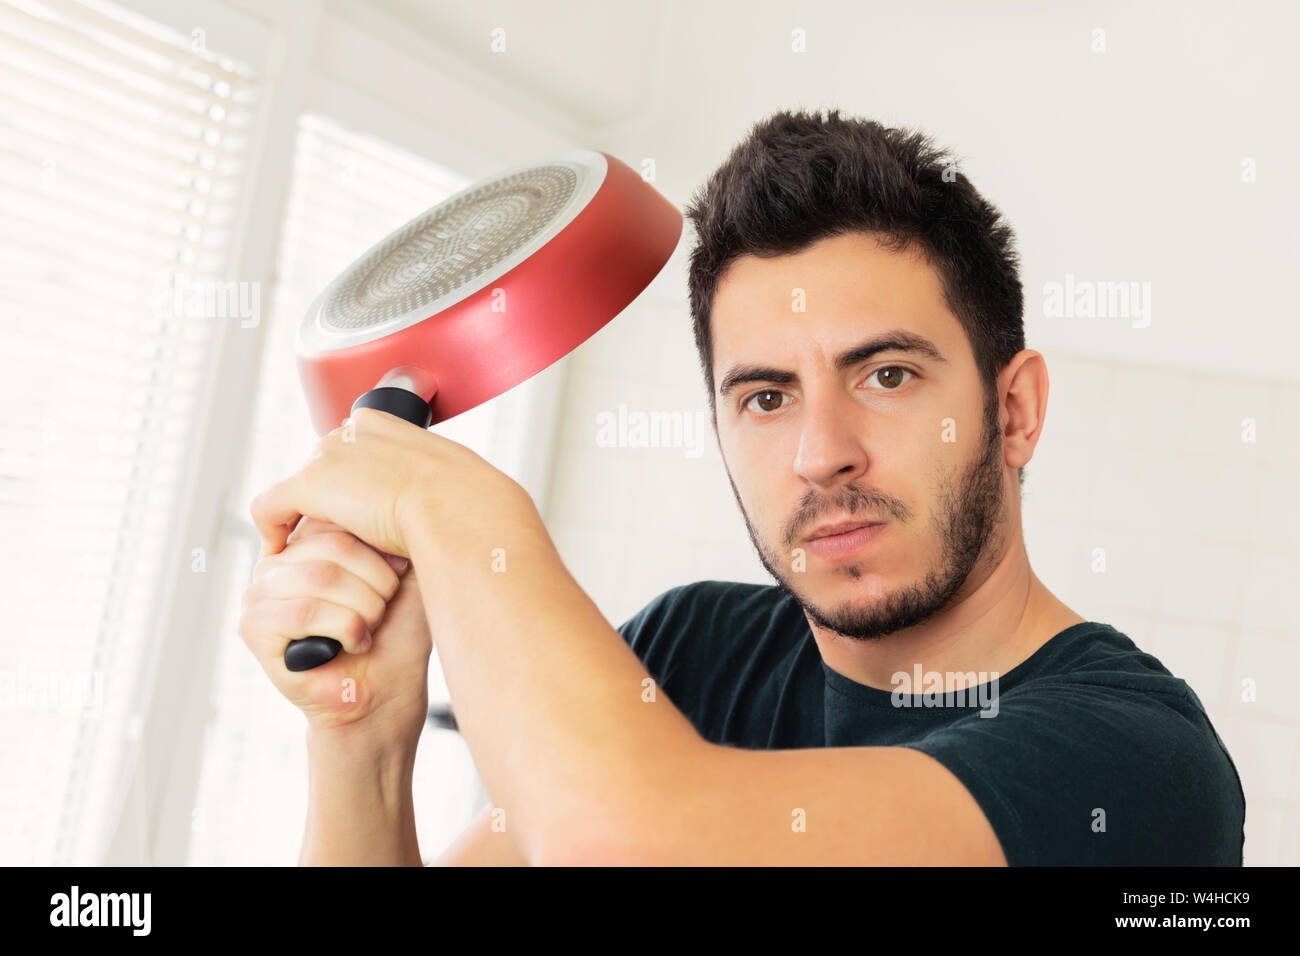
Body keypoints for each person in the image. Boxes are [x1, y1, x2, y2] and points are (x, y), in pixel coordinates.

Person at [239, 108, 1245, 866]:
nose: (820, 452)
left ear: (1014, 410)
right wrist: (360, 737)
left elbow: (632, 846)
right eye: (766, 395)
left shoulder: (1137, 763)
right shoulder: (687, 651)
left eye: (885, 375)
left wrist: (459, 513)